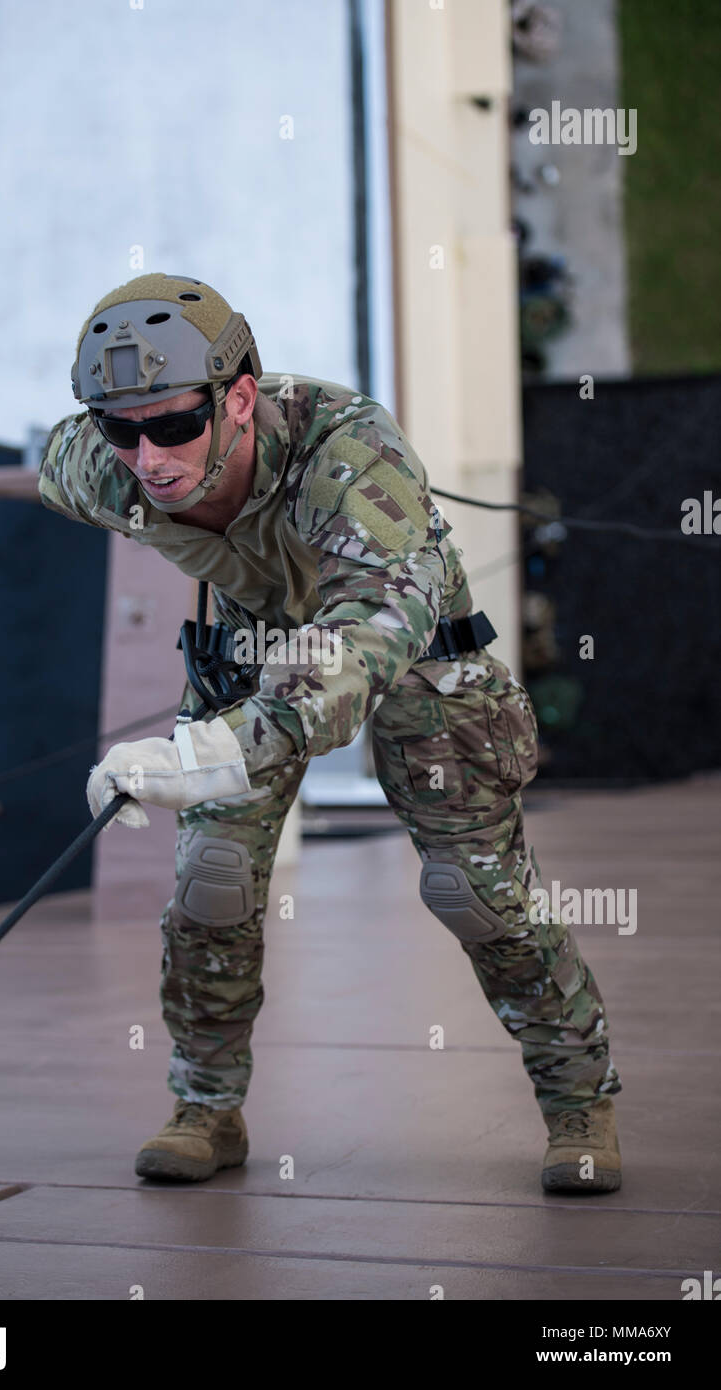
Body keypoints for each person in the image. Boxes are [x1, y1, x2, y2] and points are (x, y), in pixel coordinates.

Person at [38, 272, 622, 1193]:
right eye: (121, 428)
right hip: (252, 651)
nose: (146, 456)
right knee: (210, 885)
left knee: (478, 892)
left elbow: (377, 624)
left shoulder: (345, 447)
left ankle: (578, 1102)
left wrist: (207, 753)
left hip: (415, 654)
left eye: (173, 425)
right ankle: (206, 1106)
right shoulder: (99, 465)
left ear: (237, 399)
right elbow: (56, 460)